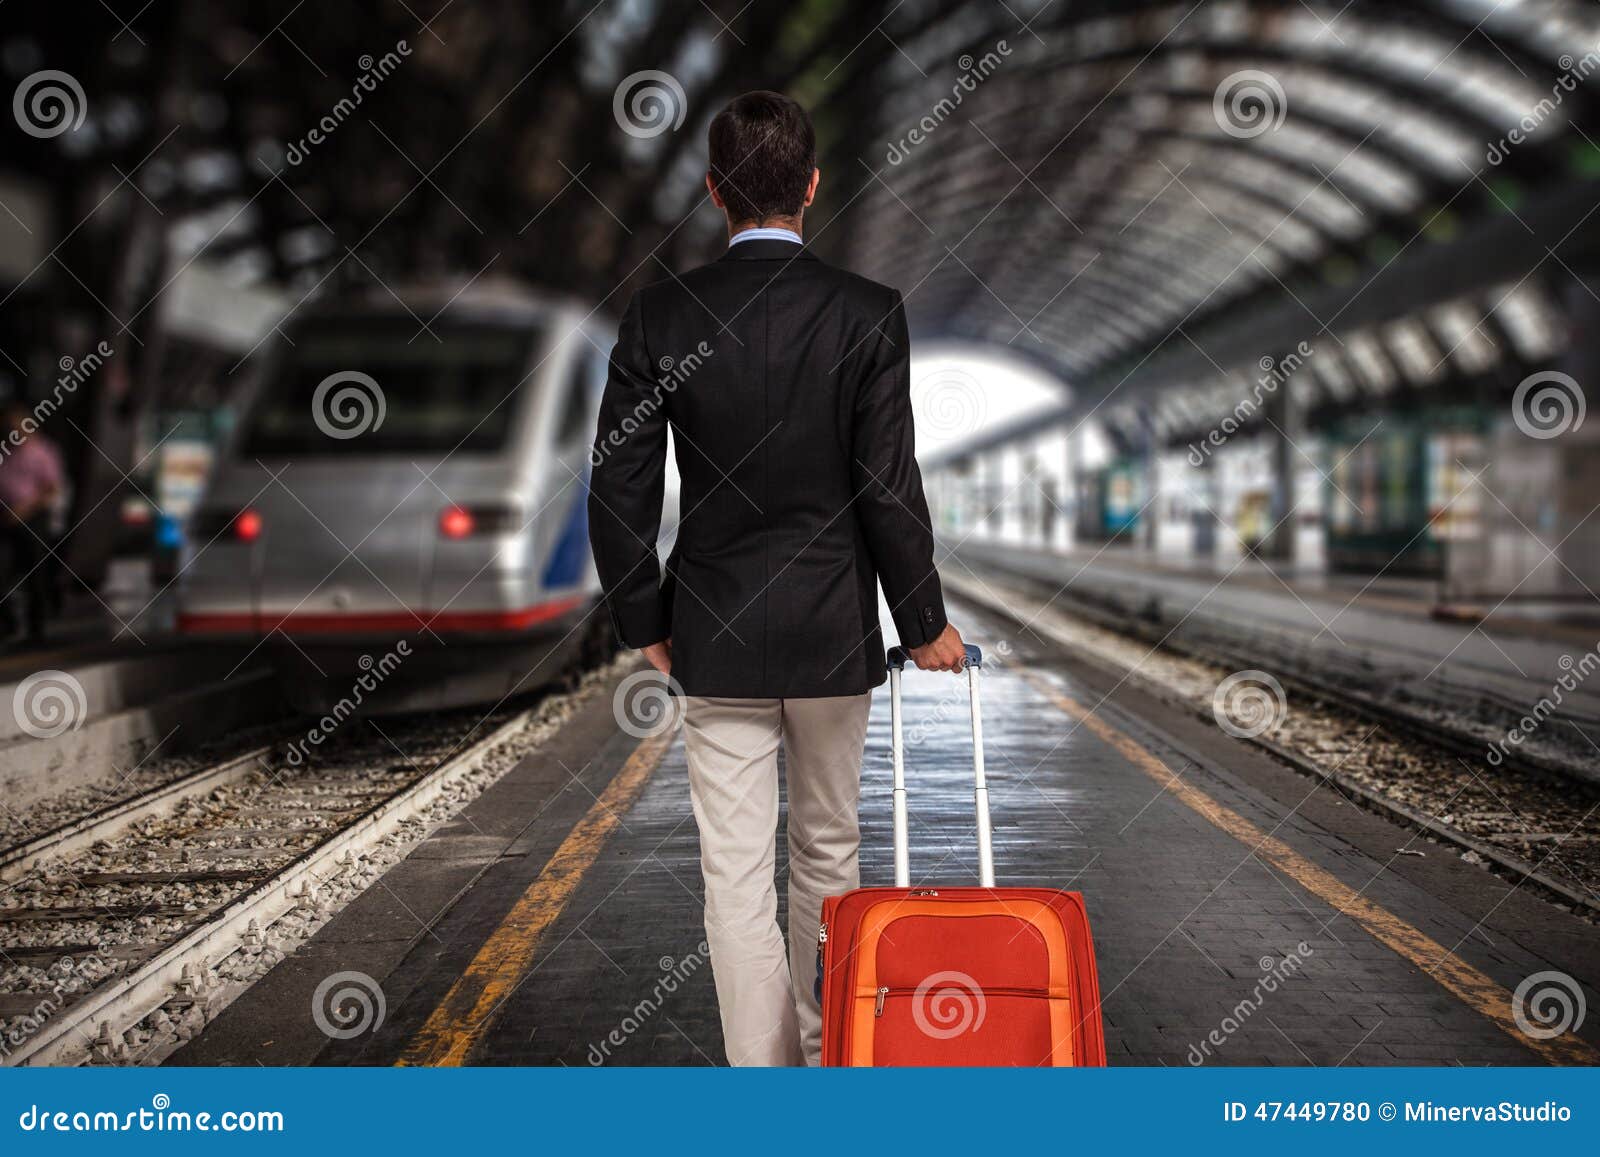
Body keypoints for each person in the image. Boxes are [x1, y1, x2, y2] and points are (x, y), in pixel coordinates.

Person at [588, 91, 966, 1066]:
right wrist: (922, 622)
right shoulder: (866, 314)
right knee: (829, 859)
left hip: (714, 631)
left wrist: (643, 617)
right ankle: (832, 1052)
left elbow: (620, 483)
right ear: (810, 187)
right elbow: (888, 488)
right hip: (834, 635)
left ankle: (763, 1089)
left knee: (732, 873)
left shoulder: (661, 317)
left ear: (714, 193)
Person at [0, 402, 66, 644]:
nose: (11, 430)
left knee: (34, 574)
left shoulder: (43, 452)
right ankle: (8, 623)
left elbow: (52, 490)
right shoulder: (6, 452)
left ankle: (36, 630)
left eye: (15, 425)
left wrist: (23, 509)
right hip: (5, 518)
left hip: (33, 519)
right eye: (7, 426)